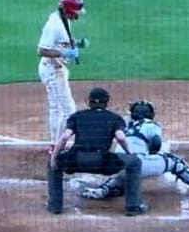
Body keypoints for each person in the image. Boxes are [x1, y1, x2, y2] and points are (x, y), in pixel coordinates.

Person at [81, 99, 189, 201]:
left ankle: (102, 190)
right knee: (174, 161)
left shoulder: (124, 125)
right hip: (139, 164)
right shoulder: (151, 125)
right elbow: (156, 142)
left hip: (114, 165)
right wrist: (152, 154)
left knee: (124, 171)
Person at [48, 87, 144, 215]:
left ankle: (55, 205)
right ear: (107, 102)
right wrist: (130, 153)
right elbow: (120, 137)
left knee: (52, 165)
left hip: (76, 160)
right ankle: (133, 207)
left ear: (89, 102)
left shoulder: (77, 116)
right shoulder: (114, 118)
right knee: (135, 162)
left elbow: (65, 137)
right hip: (102, 162)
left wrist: (54, 158)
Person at [36, 0, 87, 146]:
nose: (77, 16)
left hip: (56, 67)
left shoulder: (63, 19)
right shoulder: (54, 25)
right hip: (52, 70)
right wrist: (65, 53)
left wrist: (77, 44)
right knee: (69, 111)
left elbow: (62, 41)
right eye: (75, 13)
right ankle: (58, 147)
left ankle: (54, 142)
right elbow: (41, 50)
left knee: (56, 108)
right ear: (68, 11)